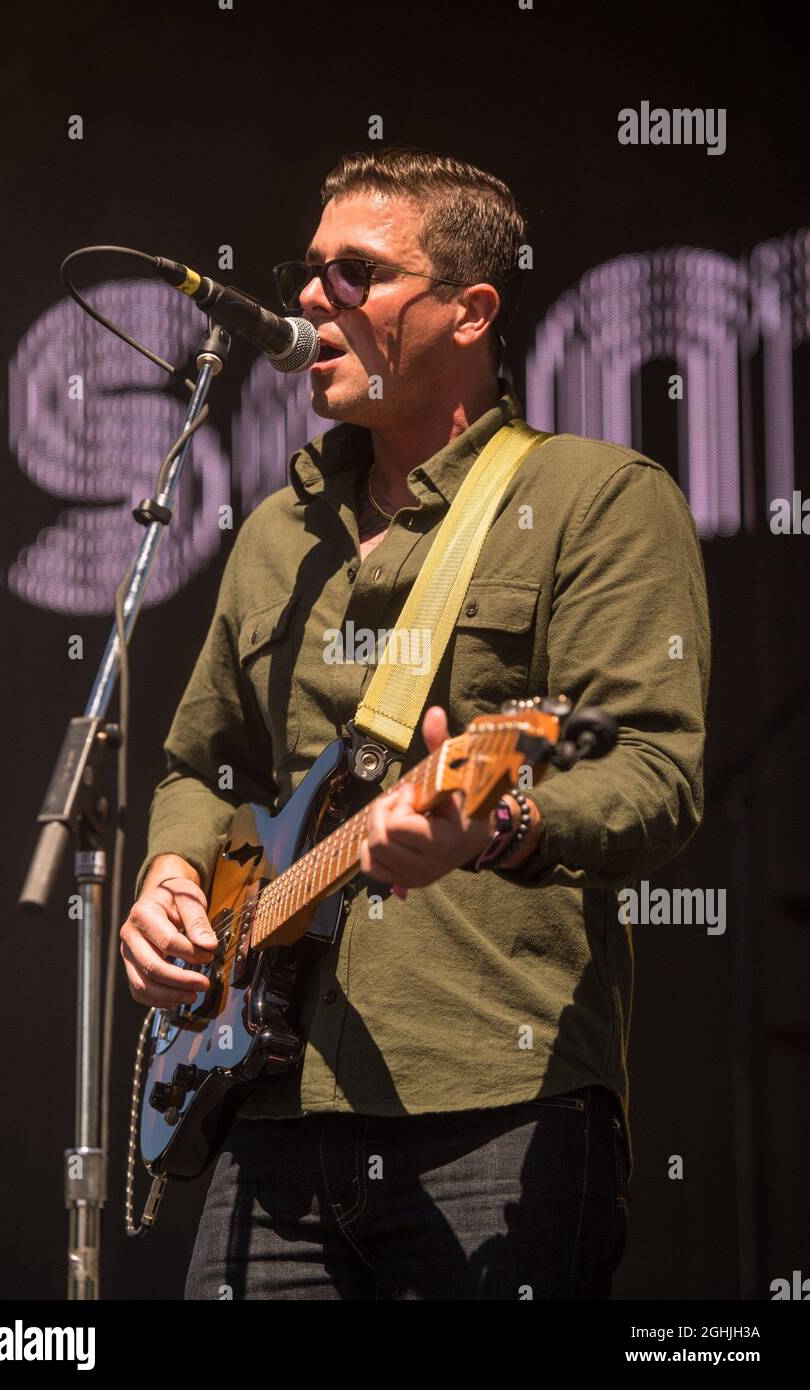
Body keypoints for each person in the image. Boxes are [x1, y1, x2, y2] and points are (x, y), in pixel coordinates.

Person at [120, 147, 710, 1299]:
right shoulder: (273, 539)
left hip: (490, 1111)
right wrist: (168, 876)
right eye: (307, 271)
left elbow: (650, 770)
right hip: (268, 1116)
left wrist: (495, 821)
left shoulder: (594, 499)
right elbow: (200, 763)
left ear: (468, 310)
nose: (306, 298)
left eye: (356, 273)